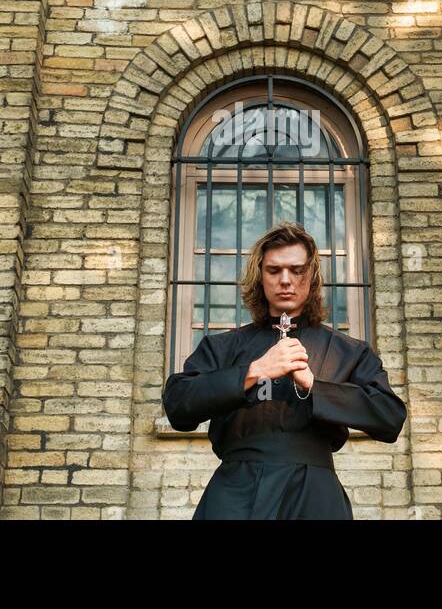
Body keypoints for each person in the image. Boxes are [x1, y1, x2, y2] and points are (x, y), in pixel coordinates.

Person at [162, 221, 406, 519]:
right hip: (235, 491)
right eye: (274, 270)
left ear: (312, 276)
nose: (286, 280)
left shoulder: (349, 351)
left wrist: (314, 387)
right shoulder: (222, 346)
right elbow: (178, 405)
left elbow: (390, 417)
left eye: (297, 270)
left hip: (315, 494)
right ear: (260, 277)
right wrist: (253, 371)